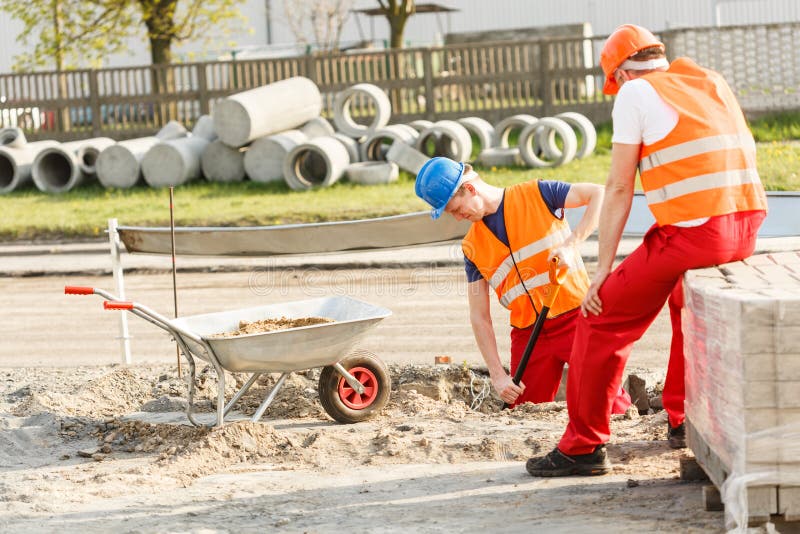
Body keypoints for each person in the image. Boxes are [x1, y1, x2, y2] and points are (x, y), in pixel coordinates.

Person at [525, 24, 768, 477]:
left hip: (699, 234)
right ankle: (681, 417)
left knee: (600, 318)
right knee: (682, 301)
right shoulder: (709, 80)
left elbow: (618, 187)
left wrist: (601, 271)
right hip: (747, 225)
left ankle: (582, 447)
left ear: (620, 75)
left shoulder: (634, 95)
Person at [415, 156, 632, 411]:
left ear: (470, 188)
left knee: (609, 403)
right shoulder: (471, 247)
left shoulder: (537, 193)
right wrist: (497, 375)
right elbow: (479, 316)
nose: (458, 218)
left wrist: (571, 245)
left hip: (576, 318)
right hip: (529, 334)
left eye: (455, 209)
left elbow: (599, 194)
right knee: (523, 412)